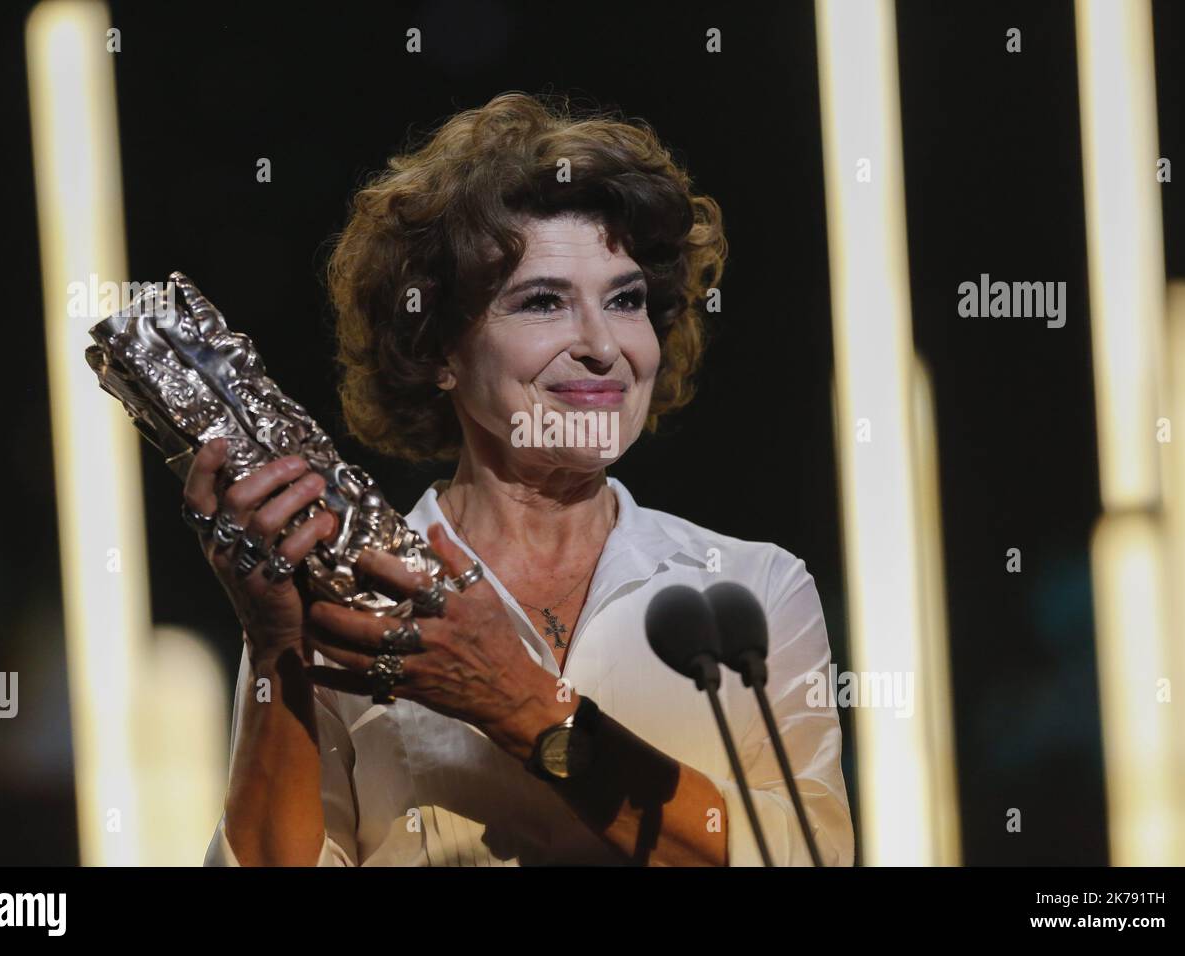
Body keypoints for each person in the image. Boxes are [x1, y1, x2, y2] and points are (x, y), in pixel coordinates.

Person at [195, 91, 853, 866]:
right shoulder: (347, 598)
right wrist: (277, 648)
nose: (603, 346)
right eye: (543, 302)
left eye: (627, 300)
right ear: (438, 348)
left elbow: (805, 857)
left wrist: (521, 706)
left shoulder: (753, 591)